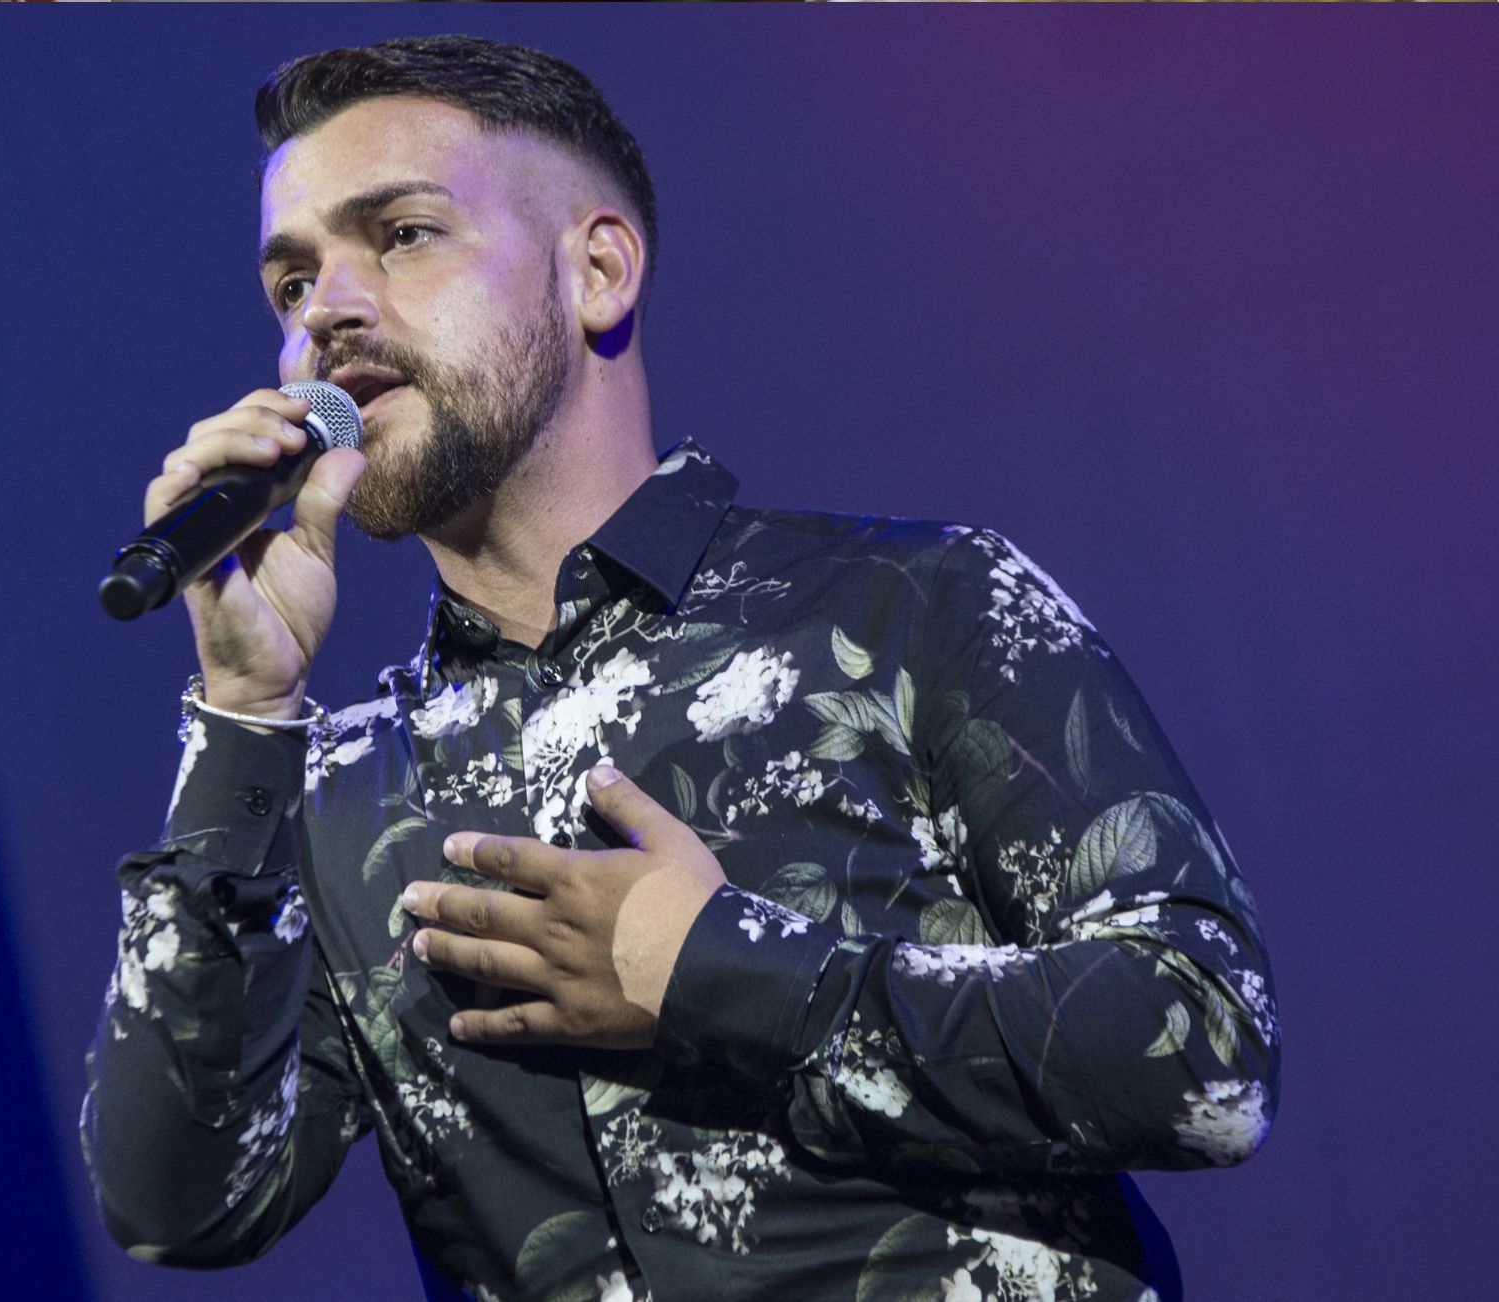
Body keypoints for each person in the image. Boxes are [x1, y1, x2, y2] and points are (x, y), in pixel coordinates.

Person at [83, 35, 1277, 1302]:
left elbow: (1205, 1056)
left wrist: (723, 975)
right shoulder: (332, 799)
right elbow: (176, 1205)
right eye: (290, 282)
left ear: (596, 271)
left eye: (406, 235)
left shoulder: (914, 606)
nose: (326, 308)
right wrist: (243, 716)